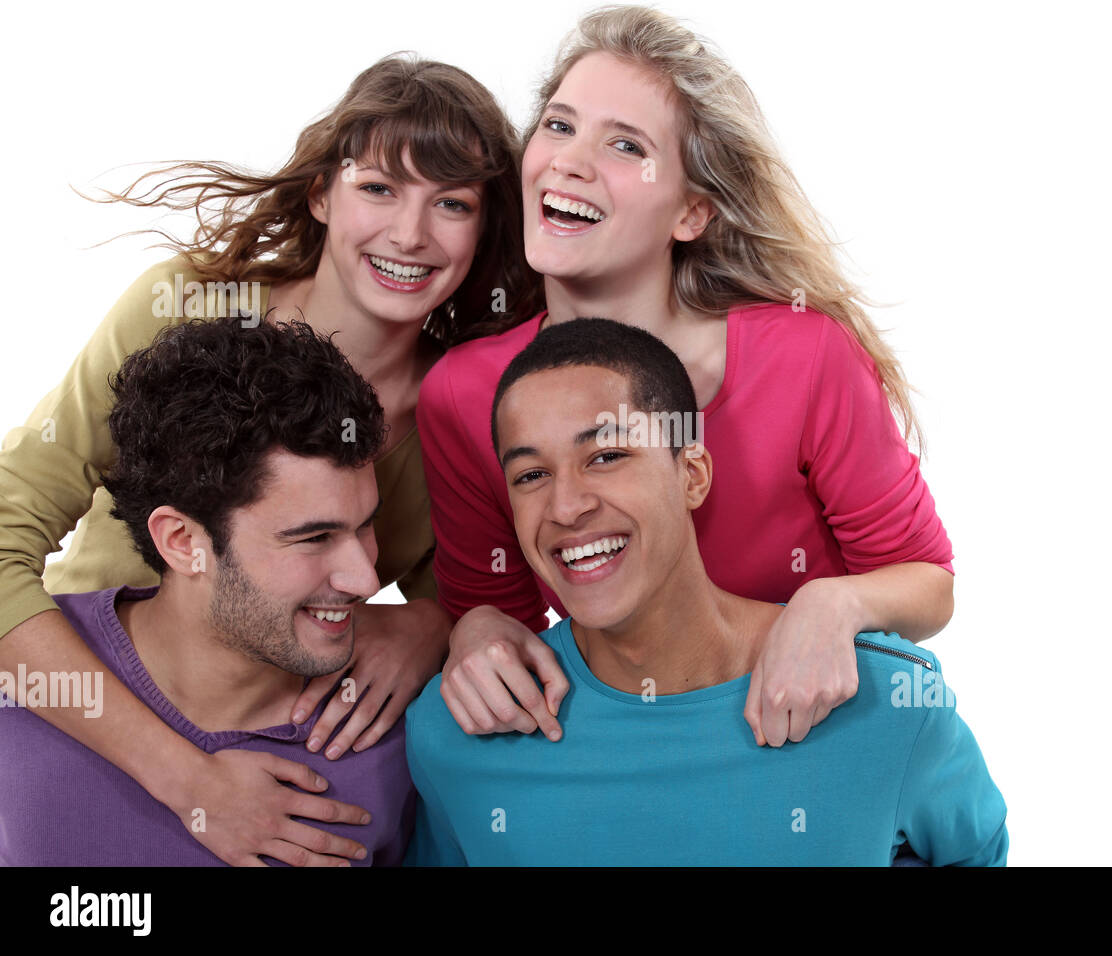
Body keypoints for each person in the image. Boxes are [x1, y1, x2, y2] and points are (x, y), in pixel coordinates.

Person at [0, 54, 541, 865]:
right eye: (379, 188)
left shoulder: (466, 409)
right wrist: (188, 781)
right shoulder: (181, 306)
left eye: (452, 204)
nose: (410, 234)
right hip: (81, 717)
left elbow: (490, 602)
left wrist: (431, 622)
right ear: (322, 193)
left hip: (287, 729)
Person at [420, 5, 954, 750]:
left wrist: (834, 604)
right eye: (559, 125)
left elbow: (928, 582)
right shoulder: (462, 392)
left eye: (625, 145)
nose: (569, 161)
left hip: (817, 737)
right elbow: (500, 612)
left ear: (693, 211)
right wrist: (475, 630)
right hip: (633, 743)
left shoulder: (803, 359)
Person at [406, 319, 1006, 866]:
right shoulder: (455, 729)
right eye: (531, 475)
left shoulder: (891, 703)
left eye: (608, 456)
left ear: (691, 475)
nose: (566, 507)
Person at [0, 317, 415, 865]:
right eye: (314, 538)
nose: (365, 580)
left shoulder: (400, 739)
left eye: (364, 526)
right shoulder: (20, 695)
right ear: (181, 541)